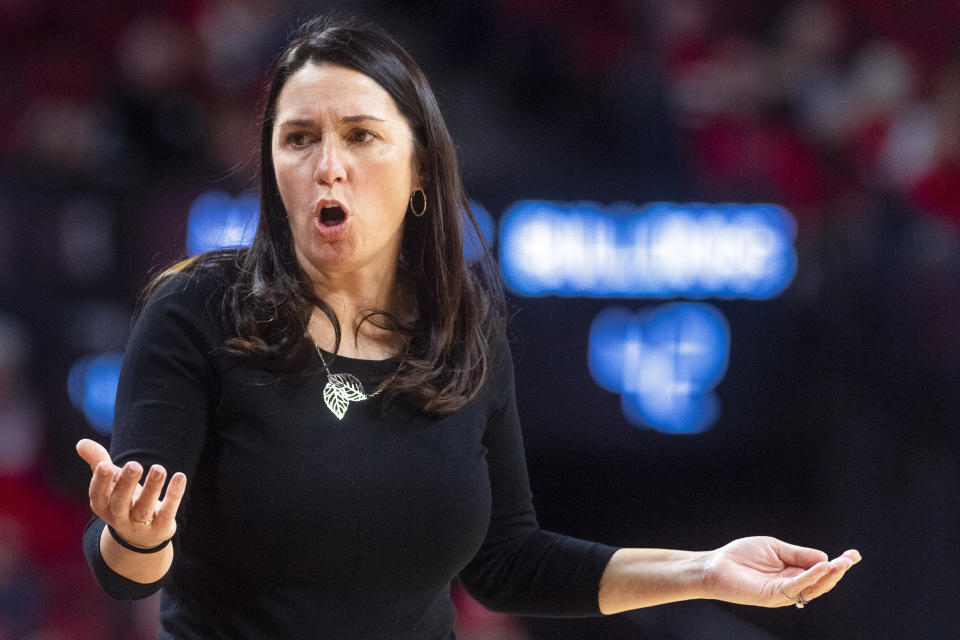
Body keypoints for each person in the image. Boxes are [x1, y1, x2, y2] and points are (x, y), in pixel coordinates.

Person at [76, 14, 860, 639]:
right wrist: (137, 537)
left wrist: (705, 570)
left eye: (359, 135)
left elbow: (508, 563)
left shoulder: (460, 329)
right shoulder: (197, 309)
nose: (328, 164)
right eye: (298, 138)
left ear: (419, 170)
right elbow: (126, 567)